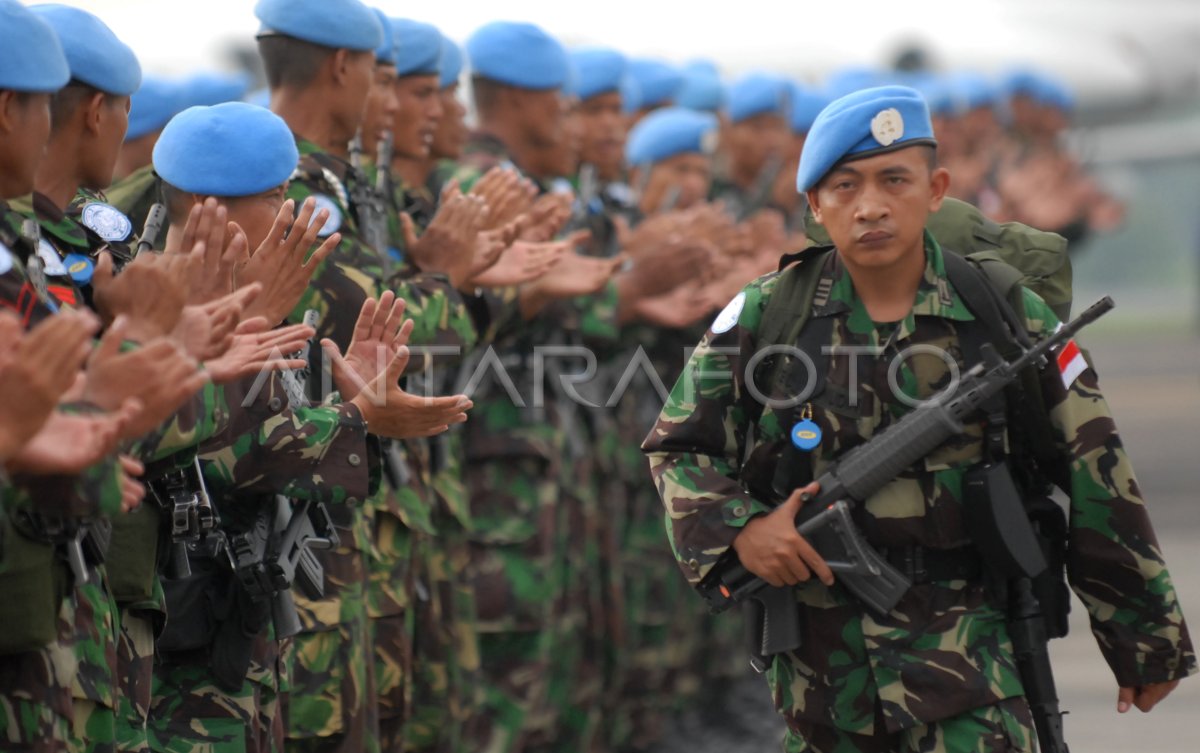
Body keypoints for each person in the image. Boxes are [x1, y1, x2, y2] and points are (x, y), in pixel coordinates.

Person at [643, 85, 1195, 752]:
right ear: (815, 206)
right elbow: (679, 446)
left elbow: (1095, 469)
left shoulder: (1003, 310)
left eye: (893, 180)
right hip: (822, 687)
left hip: (974, 668)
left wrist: (1143, 637)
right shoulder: (769, 315)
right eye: (844, 186)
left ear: (935, 189)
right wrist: (742, 531)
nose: (870, 205)